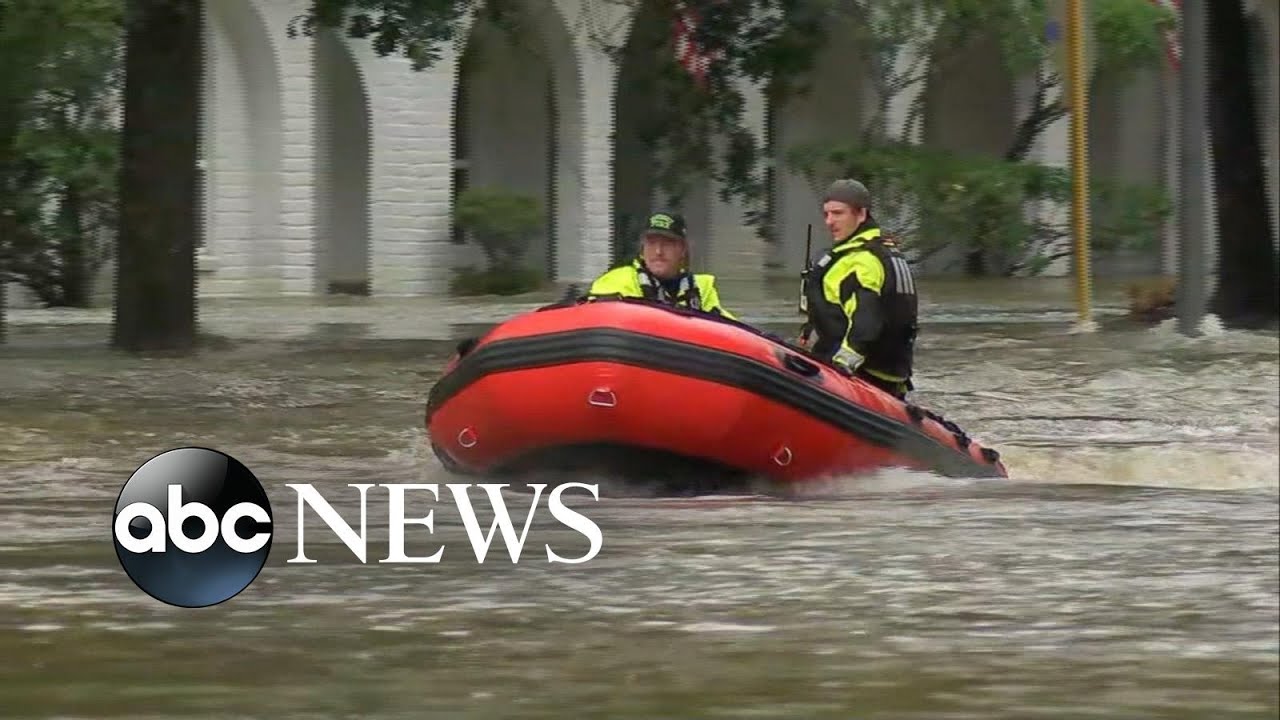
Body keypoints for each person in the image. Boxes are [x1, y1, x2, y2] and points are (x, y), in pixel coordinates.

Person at [799, 179, 919, 399]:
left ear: (861, 214)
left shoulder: (862, 261)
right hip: (891, 377)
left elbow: (867, 319)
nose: (829, 221)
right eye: (826, 214)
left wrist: (843, 364)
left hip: (860, 378)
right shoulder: (885, 252)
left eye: (838, 213)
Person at [587, 211, 736, 319]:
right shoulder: (617, 280)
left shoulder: (702, 288)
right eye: (651, 243)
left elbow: (731, 329)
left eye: (667, 244)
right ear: (642, 248)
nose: (658, 251)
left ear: (683, 249)